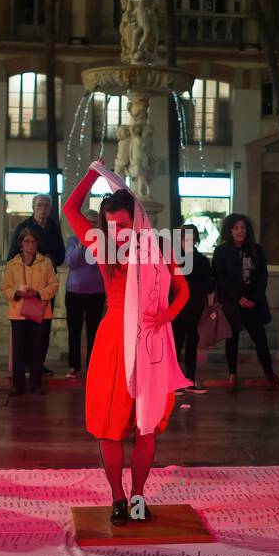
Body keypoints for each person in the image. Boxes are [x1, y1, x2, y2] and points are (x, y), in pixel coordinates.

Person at [64, 162, 190, 525]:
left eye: (122, 222)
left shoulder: (158, 247)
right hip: (114, 341)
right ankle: (118, 498)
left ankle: (138, 496)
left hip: (150, 341)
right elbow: (70, 210)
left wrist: (167, 315)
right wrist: (93, 172)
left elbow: (183, 291)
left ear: (136, 219)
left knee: (146, 427)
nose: (116, 230)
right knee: (109, 424)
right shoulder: (104, 248)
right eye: (111, 223)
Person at [212, 214, 276, 392]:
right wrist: (238, 298)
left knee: (260, 339)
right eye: (236, 228)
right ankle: (232, 375)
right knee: (232, 339)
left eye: (243, 228)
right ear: (229, 230)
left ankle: (269, 374)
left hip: (253, 303)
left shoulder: (256, 250)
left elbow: (262, 276)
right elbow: (220, 279)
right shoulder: (221, 251)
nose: (240, 231)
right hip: (233, 303)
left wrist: (252, 298)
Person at [7, 193, 66, 375]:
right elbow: (12, 256)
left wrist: (52, 258)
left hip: (45, 285)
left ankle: (38, 364)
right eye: (39, 205)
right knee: (23, 328)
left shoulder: (54, 227)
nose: (43, 209)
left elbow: (61, 253)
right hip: (25, 286)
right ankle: (23, 365)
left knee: (43, 326)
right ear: (33, 207)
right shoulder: (23, 227)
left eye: (46, 205)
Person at [2, 227, 60, 395]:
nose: (30, 245)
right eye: (27, 241)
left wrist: (38, 293)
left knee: (37, 348)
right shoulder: (12, 264)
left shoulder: (46, 262)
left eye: (33, 241)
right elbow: (5, 288)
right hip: (18, 312)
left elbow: (54, 285)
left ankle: (36, 385)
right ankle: (18, 385)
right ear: (21, 244)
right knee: (18, 350)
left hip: (40, 311)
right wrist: (16, 293)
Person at [171, 224, 214, 394]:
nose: (187, 242)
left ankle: (189, 379)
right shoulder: (173, 258)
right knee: (176, 344)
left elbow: (210, 284)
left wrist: (191, 285)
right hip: (177, 309)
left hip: (194, 309)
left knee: (191, 345)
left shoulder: (201, 260)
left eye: (190, 238)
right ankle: (174, 381)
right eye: (184, 239)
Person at [64, 213, 106, 378]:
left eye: (94, 223)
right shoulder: (73, 240)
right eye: (88, 222)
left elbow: (105, 264)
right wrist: (81, 244)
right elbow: (70, 262)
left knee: (93, 332)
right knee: (74, 331)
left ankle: (92, 365)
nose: (90, 225)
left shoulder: (102, 242)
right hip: (74, 291)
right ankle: (73, 366)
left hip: (96, 292)